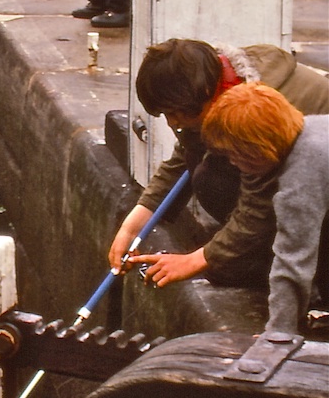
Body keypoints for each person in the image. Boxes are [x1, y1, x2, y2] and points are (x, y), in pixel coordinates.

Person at [110, 38, 329, 290]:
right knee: (205, 166)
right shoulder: (220, 81)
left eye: (175, 113)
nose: (171, 123)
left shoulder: (258, 111)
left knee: (214, 179)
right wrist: (132, 227)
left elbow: (259, 206)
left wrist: (196, 260)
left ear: (204, 96)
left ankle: (301, 268)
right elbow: (184, 156)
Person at [201, 83, 329, 336]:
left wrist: (278, 334)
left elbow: (293, 258)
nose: (232, 162)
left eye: (235, 154)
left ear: (257, 147)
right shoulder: (312, 127)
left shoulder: (304, 170)